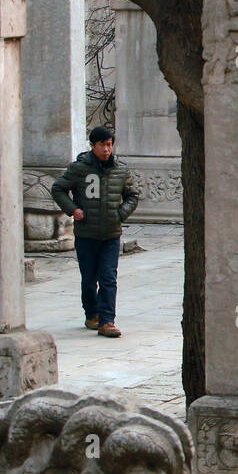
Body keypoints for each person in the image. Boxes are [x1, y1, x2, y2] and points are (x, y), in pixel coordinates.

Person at [51, 126, 140, 338]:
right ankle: (92, 314)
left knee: (108, 277)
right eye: (102, 145)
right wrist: (73, 209)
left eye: (109, 144)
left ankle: (107, 320)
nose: (107, 149)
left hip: (111, 233)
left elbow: (133, 195)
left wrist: (120, 214)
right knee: (89, 278)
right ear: (92, 146)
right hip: (86, 234)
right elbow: (58, 188)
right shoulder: (80, 168)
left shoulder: (120, 169)